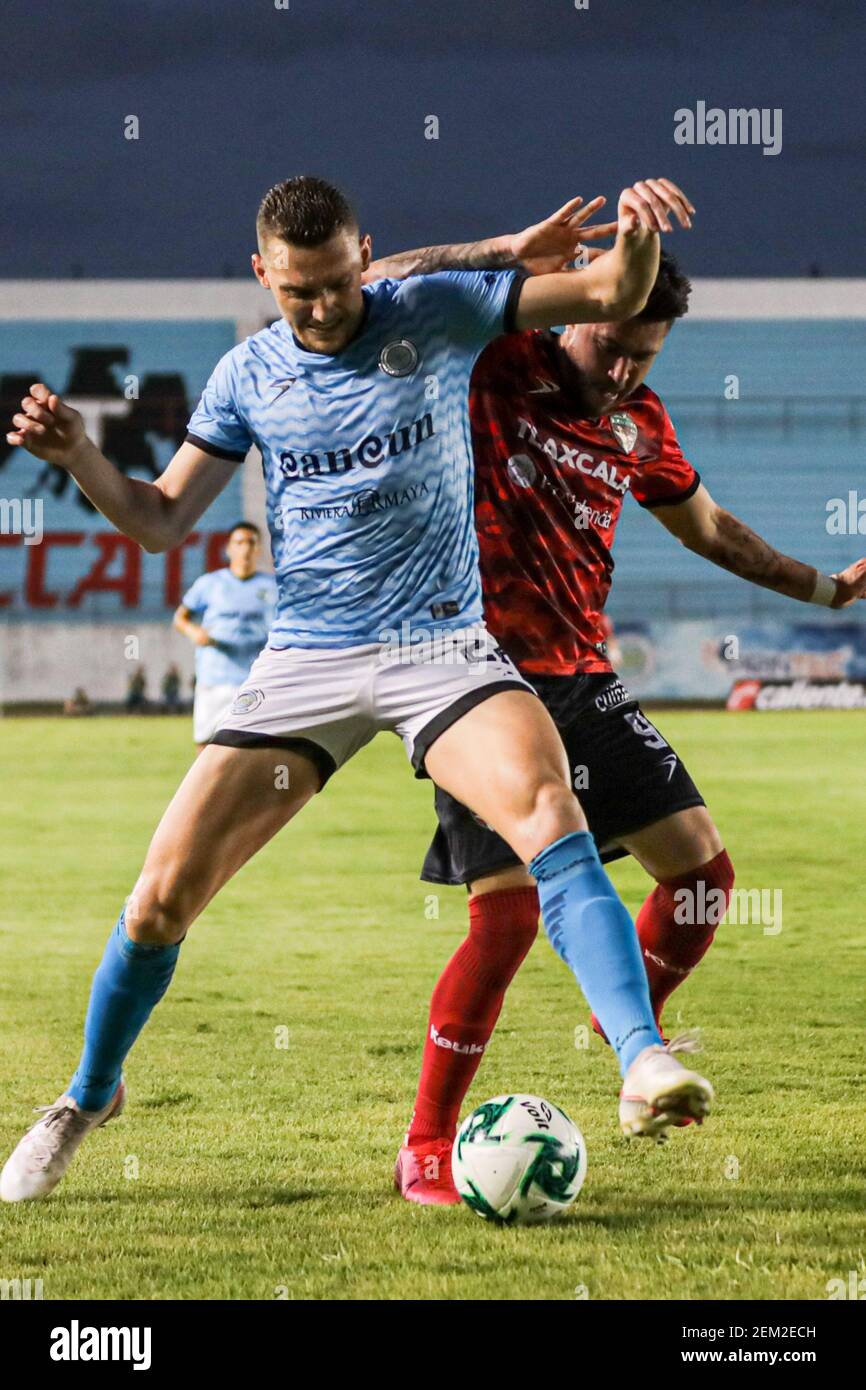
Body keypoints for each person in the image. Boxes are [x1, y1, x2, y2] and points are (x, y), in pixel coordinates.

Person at [1, 173, 710, 1208]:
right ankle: (86, 1096)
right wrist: (78, 457)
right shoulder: (246, 375)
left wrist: (637, 239)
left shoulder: (435, 308)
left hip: (440, 647)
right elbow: (157, 520)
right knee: (159, 901)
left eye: (336, 282)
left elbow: (607, 294)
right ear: (263, 277)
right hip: (307, 663)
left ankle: (641, 1060)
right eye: (299, 293)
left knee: (549, 814)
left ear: (362, 255)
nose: (324, 307)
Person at [362, 242, 866, 1202]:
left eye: (644, 353)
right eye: (609, 341)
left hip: (588, 683)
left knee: (705, 878)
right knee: (505, 921)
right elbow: (383, 287)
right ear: (576, 310)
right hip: (481, 680)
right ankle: (425, 1145)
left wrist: (822, 587)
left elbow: (709, 529)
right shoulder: (495, 361)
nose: (622, 367)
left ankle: (624, 1020)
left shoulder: (639, 421)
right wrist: (501, 254)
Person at [173, 522, 277, 747]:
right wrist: (195, 632)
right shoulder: (210, 584)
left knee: (255, 748)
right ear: (229, 548)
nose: (246, 548)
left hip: (255, 679)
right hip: (215, 677)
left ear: (259, 549)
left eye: (251, 542)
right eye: (239, 542)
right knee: (206, 745)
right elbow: (180, 618)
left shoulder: (272, 586)